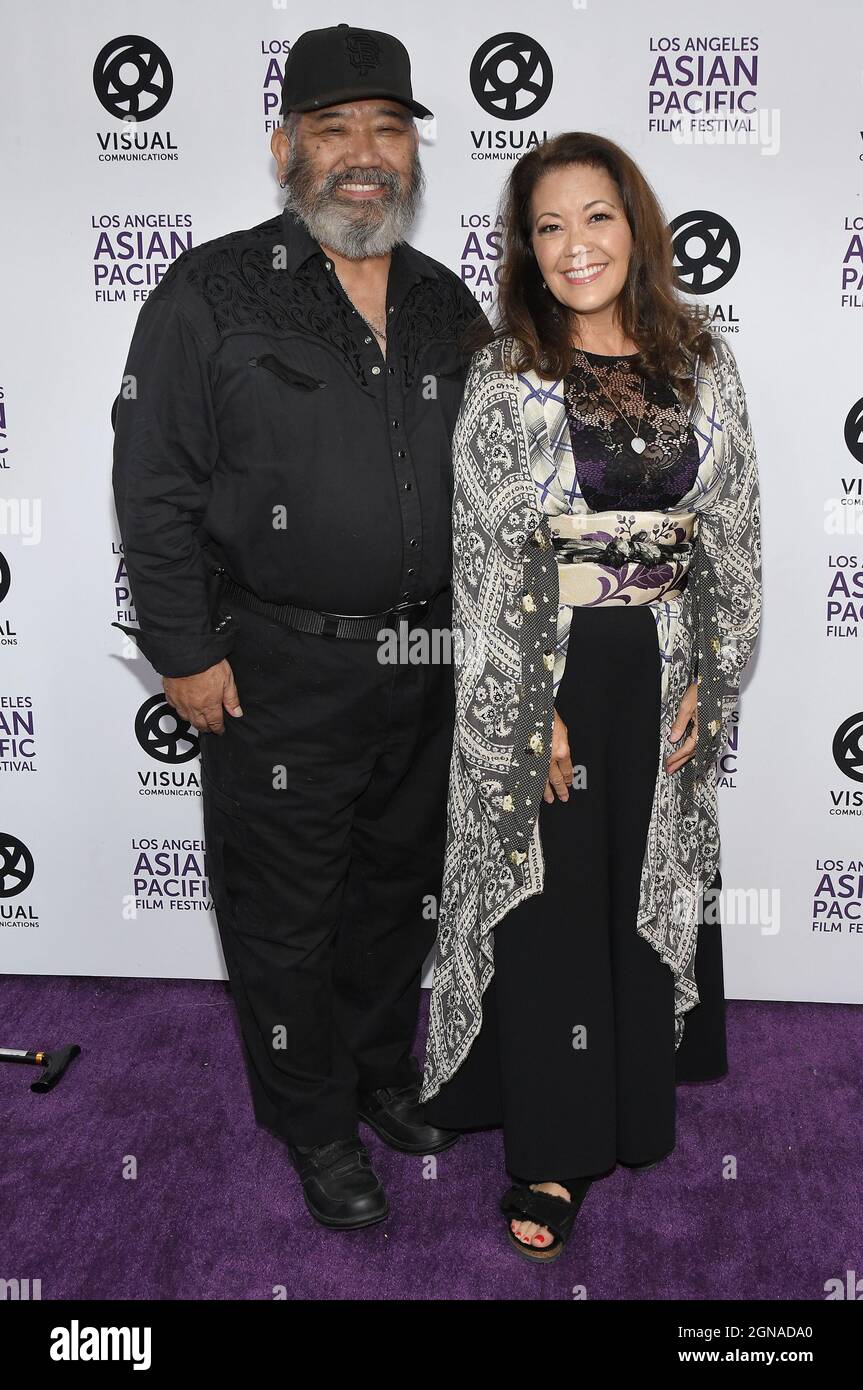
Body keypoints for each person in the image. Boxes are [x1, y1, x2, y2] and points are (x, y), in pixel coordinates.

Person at [111, 24, 483, 1231]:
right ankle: (314, 1123)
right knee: (283, 909)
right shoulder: (209, 291)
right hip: (274, 662)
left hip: (425, 655)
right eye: (335, 130)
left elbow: (490, 478)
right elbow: (154, 480)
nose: (364, 155)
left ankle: (378, 1070)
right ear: (288, 148)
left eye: (387, 130)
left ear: (412, 154)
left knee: (395, 888)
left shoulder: (443, 300)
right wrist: (183, 649)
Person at [420, 131, 762, 1262]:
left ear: (635, 223)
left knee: (636, 879)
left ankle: (628, 1098)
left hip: (660, 661)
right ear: (524, 245)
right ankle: (554, 1152)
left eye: (596, 217)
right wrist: (530, 709)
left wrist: (711, 671)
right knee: (556, 903)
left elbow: (733, 533)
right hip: (545, 663)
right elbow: (481, 548)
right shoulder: (503, 373)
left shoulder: (701, 362)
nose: (575, 246)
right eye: (548, 225)